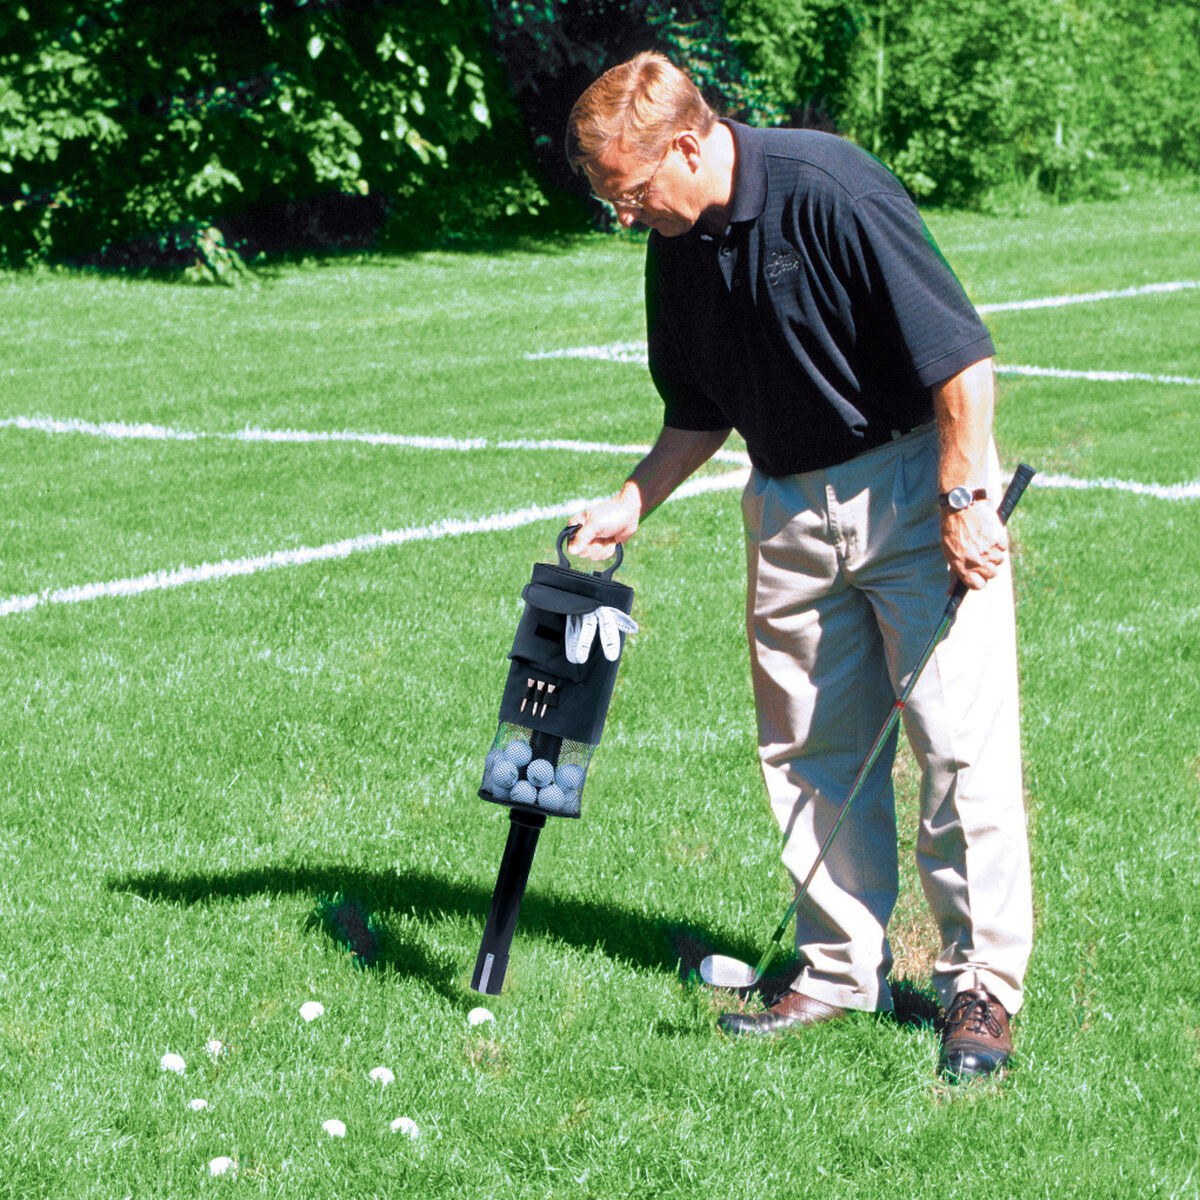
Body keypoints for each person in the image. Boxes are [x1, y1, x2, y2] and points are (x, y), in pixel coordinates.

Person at [562, 52, 1033, 1079]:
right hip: (785, 501)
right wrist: (630, 500)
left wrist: (963, 499)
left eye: (629, 191)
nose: (624, 215)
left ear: (687, 144)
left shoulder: (832, 188)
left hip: (915, 484)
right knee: (810, 752)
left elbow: (962, 359)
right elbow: (697, 408)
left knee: (958, 754)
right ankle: (835, 970)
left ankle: (980, 993)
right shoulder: (679, 245)